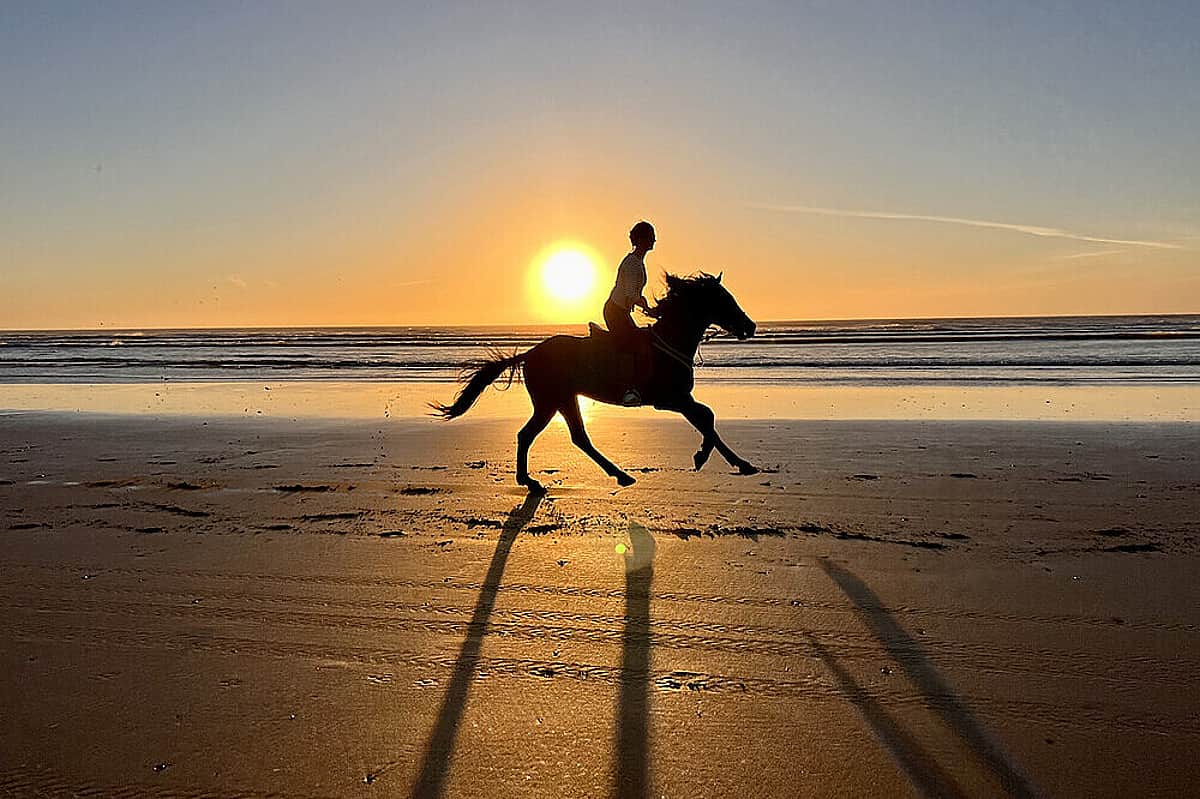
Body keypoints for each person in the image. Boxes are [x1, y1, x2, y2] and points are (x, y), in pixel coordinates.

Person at [603, 221, 655, 405]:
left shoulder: (638, 261)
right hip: (615, 311)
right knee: (632, 344)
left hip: (620, 310)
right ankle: (628, 390)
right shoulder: (633, 263)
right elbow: (631, 295)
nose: (654, 240)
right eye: (650, 236)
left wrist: (646, 306)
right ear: (640, 239)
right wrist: (648, 308)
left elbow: (633, 295)